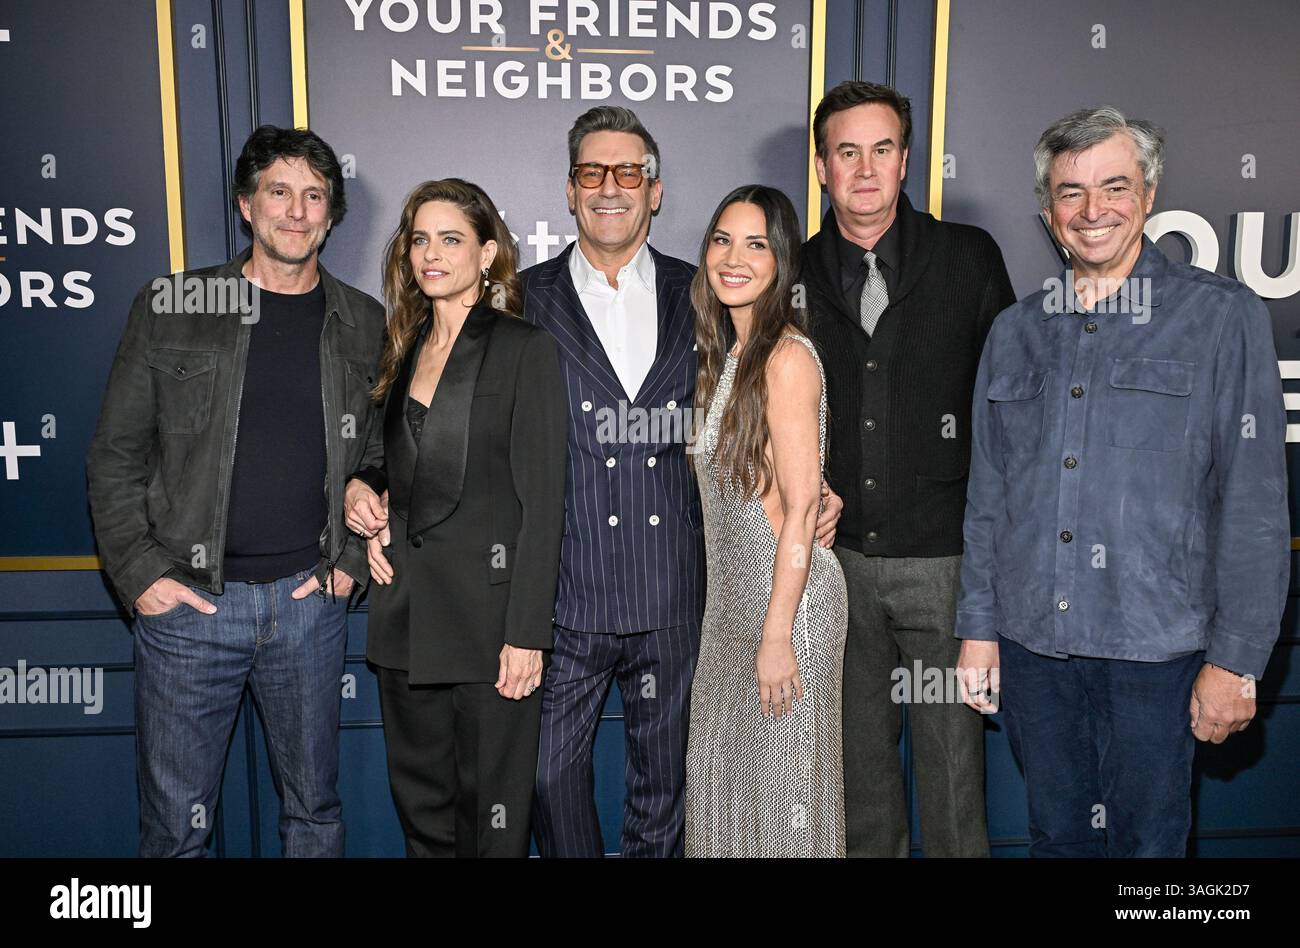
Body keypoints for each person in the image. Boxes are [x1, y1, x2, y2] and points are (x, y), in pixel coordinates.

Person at [956, 107, 1288, 857]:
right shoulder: (1017, 330)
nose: (1093, 209)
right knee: (1057, 838)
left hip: (1159, 652)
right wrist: (978, 629)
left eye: (1114, 186)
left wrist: (1235, 661)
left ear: (1148, 194)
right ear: (1047, 211)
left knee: (1150, 848)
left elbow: (1255, 504)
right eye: (1071, 193)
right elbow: (989, 497)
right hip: (1035, 646)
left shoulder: (1220, 316)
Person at [523, 105, 846, 857]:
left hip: (681, 593)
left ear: (655, 190)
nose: (612, 187)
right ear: (570, 190)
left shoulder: (690, 293)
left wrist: (819, 495)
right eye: (593, 173)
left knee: (678, 794)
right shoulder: (525, 297)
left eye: (629, 171)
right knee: (546, 777)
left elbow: (795, 429)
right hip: (570, 593)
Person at [86, 125, 385, 857]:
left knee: (314, 813)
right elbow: (115, 456)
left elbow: (376, 453)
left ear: (331, 214)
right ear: (246, 205)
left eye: (314, 196)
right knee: (176, 828)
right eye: (279, 192)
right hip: (190, 609)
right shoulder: (173, 305)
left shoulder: (362, 321)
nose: (296, 211)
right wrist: (141, 576)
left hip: (307, 608)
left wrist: (347, 564)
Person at [800, 81, 1015, 857]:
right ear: (822, 166)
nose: (865, 169)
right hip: (834, 565)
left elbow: (1007, 412)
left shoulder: (967, 256)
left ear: (905, 159)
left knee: (955, 783)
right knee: (857, 781)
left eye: (881, 149)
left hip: (944, 564)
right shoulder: (790, 273)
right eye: (846, 151)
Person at [343, 179, 566, 858]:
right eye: (420, 239)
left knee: (493, 821)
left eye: (451, 239)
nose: (431, 254)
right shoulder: (403, 347)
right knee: (424, 812)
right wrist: (364, 487)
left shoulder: (525, 349)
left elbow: (546, 501)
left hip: (491, 627)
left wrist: (527, 634)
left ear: (488, 252)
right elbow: (391, 458)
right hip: (405, 616)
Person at [684, 186, 848, 857]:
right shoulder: (731, 354)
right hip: (730, 614)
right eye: (722, 239)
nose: (733, 257)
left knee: (786, 807)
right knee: (728, 797)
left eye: (756, 244)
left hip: (787, 614)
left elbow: (803, 504)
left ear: (782, 261)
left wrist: (777, 633)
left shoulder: (785, 356)